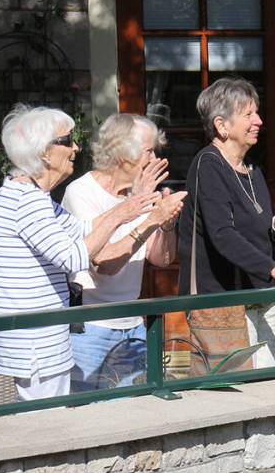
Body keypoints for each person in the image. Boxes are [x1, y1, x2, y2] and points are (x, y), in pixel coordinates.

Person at [0, 105, 153, 401]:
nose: (76, 147)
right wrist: (121, 215)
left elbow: (82, 228)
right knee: (49, 427)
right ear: (44, 152)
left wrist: (130, 206)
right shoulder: (27, 201)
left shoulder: (30, 195)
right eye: (67, 140)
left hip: (38, 341)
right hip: (36, 345)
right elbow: (74, 257)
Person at [177, 78, 275, 369]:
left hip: (258, 297)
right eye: (249, 114)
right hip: (223, 304)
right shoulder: (209, 165)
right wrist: (273, 269)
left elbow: (250, 229)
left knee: (270, 383)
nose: (259, 121)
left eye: (257, 113)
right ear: (222, 126)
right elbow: (222, 234)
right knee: (236, 394)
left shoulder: (252, 171)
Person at [62, 113, 185, 392]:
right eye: (148, 151)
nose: (155, 159)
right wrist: (149, 216)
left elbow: (161, 259)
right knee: (86, 417)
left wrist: (166, 225)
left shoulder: (141, 193)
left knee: (135, 412)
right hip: (90, 329)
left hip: (132, 325)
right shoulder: (81, 193)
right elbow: (105, 263)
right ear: (121, 153)